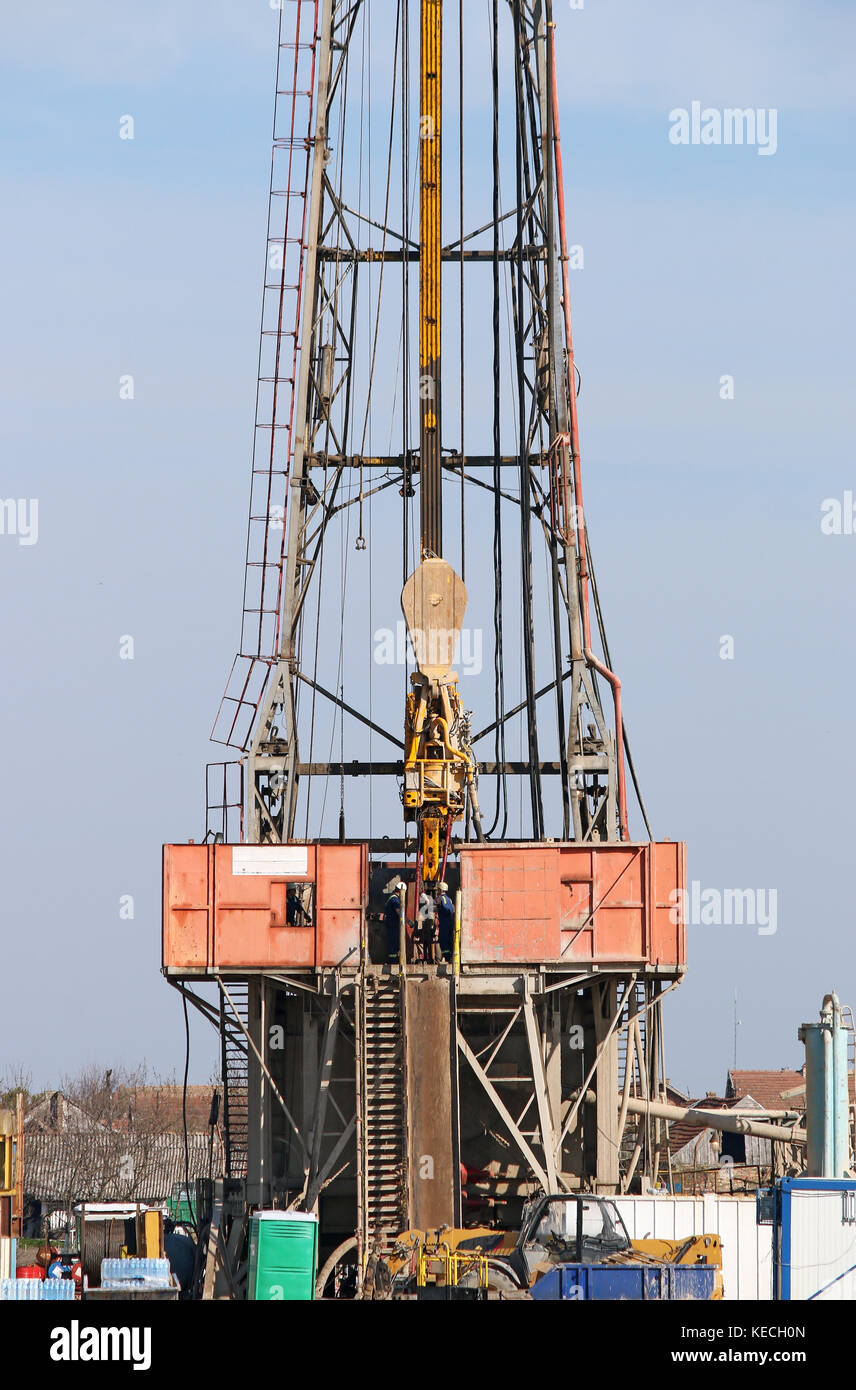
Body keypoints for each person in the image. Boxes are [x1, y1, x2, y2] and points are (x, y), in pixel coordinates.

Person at [384, 881, 407, 962]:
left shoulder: (391, 897)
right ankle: (393, 962)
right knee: (394, 945)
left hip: (391, 925)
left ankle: (393, 960)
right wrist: (407, 921)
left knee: (392, 944)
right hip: (393, 926)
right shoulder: (395, 899)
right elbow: (399, 912)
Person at [414, 891, 439, 964]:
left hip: (427, 928)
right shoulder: (427, 910)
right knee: (427, 942)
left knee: (427, 942)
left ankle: (429, 958)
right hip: (427, 929)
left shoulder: (427, 908)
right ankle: (429, 958)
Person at [435, 881, 455, 961]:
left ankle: (446, 957)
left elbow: (432, 905)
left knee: (443, 940)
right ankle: (449, 957)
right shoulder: (449, 899)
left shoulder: (439, 898)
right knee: (449, 940)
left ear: (440, 889)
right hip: (450, 923)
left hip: (444, 924)